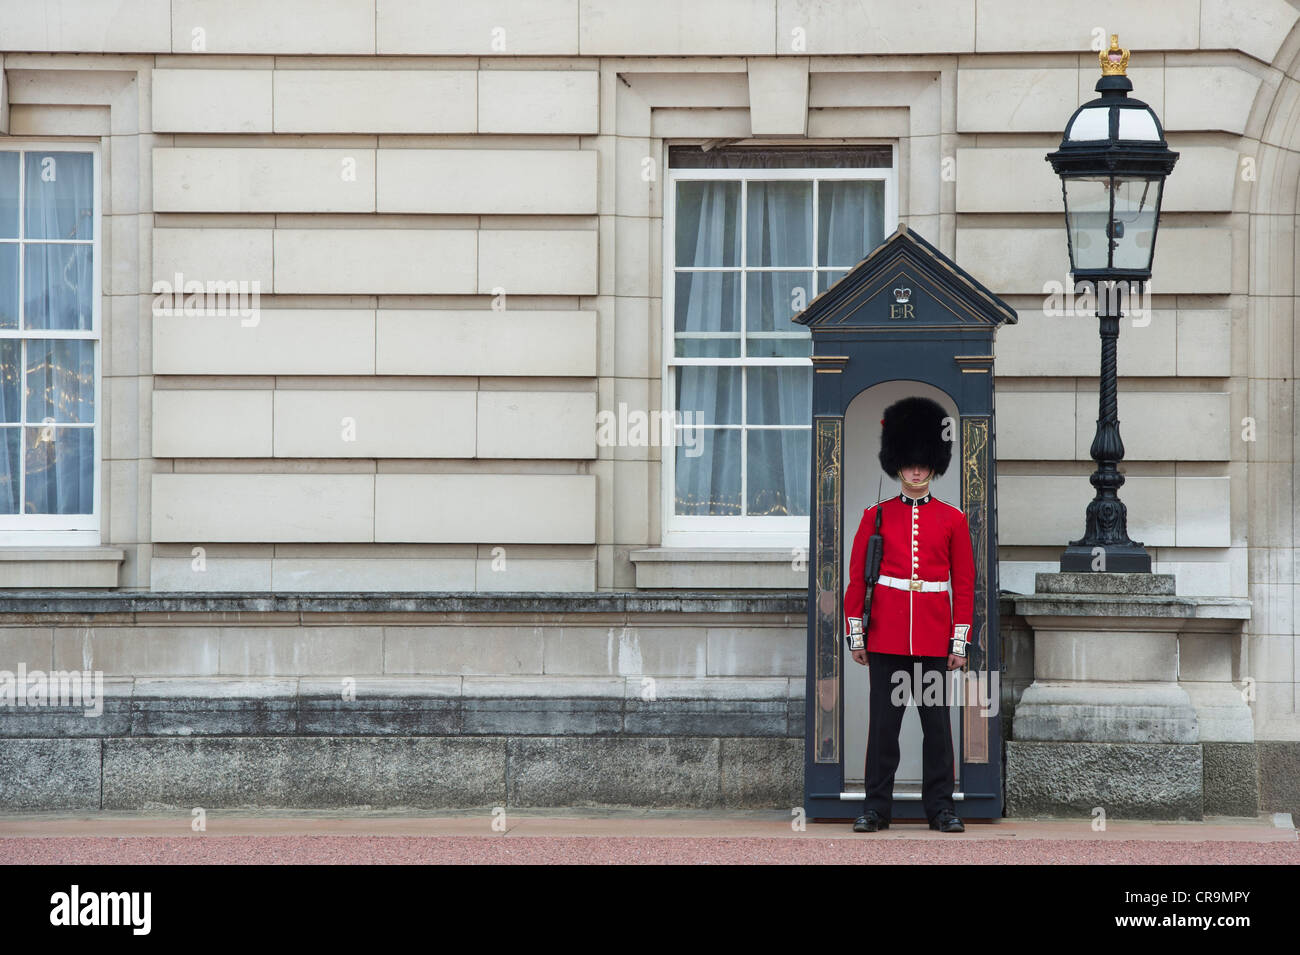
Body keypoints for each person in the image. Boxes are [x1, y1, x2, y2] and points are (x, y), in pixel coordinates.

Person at [843, 396, 975, 833]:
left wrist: (959, 642)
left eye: (923, 464)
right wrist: (857, 635)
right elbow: (857, 582)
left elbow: (965, 584)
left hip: (935, 639)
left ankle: (941, 809)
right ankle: (876, 809)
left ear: (934, 466)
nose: (916, 471)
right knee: (884, 731)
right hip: (887, 639)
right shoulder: (874, 517)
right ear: (897, 464)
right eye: (909, 464)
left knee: (936, 731)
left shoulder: (952, 520)